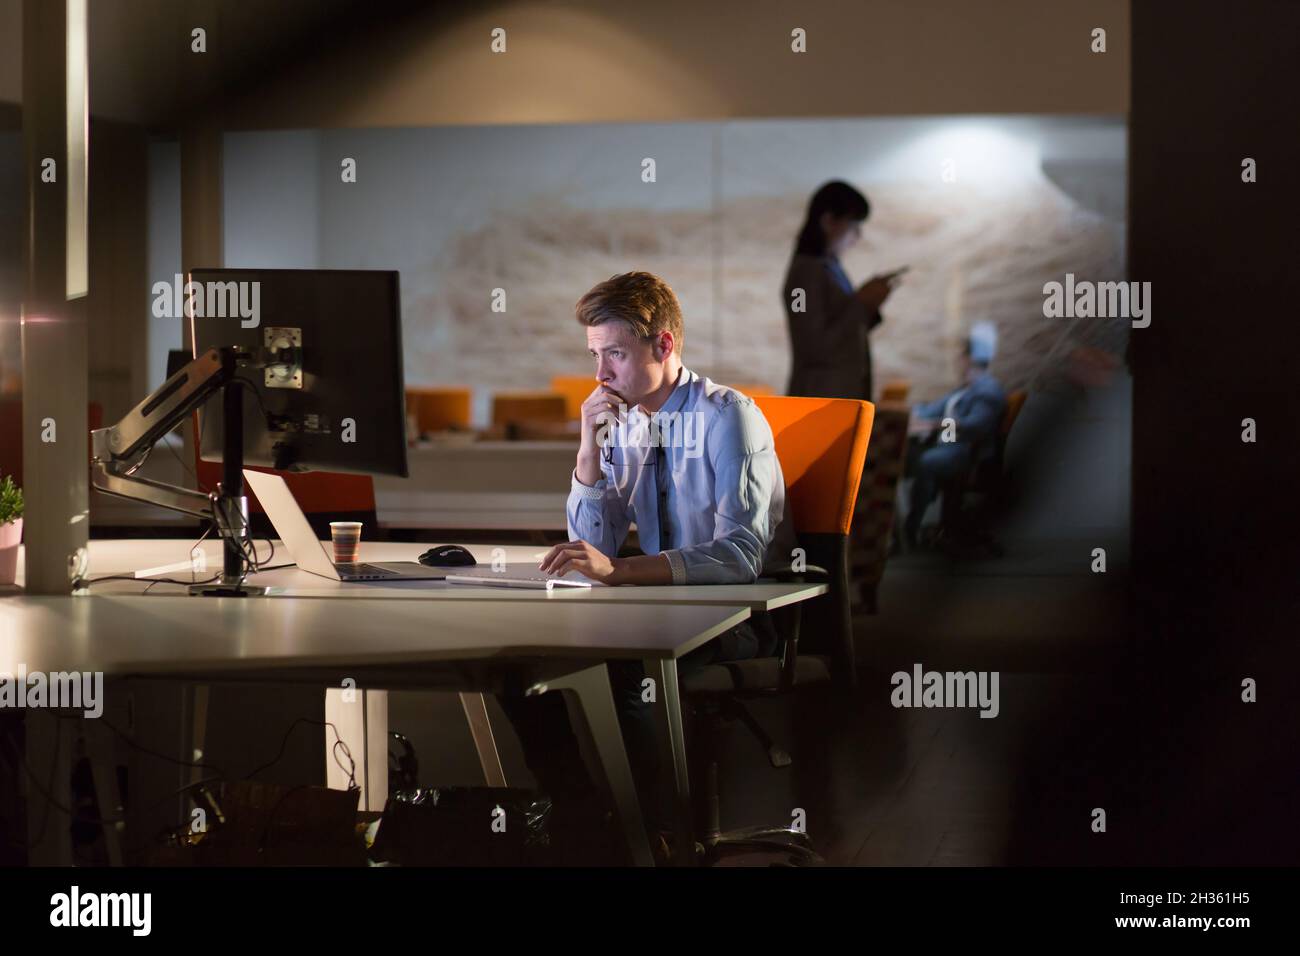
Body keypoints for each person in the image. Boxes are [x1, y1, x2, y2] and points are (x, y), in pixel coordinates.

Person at [497, 271, 796, 863]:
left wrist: (622, 573)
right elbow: (592, 545)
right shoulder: (622, 420)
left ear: (663, 345)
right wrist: (588, 447)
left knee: (627, 668)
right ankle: (590, 822)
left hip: (742, 613)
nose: (600, 374)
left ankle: (656, 834)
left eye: (614, 354)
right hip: (659, 606)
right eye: (594, 355)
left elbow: (738, 557)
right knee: (523, 665)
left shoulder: (726, 417)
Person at [782, 180, 906, 401]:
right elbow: (810, 347)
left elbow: (842, 331)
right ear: (829, 221)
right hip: (818, 399)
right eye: (853, 226)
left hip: (836, 396)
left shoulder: (830, 268)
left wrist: (868, 305)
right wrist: (861, 304)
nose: (857, 236)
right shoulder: (804, 274)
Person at [902, 322, 1007, 548]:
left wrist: (935, 424)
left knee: (927, 461)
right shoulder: (963, 391)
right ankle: (907, 528)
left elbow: (976, 425)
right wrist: (912, 414)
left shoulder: (987, 391)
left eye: (961, 356)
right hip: (949, 448)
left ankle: (912, 526)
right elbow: (931, 410)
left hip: (967, 452)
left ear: (969, 358)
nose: (958, 361)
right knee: (908, 457)